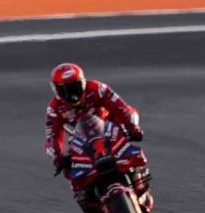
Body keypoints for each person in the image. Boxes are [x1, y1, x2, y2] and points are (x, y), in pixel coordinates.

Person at [45, 62, 151, 213]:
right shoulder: (54, 108)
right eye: (64, 90)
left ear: (82, 82)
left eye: (74, 87)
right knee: (78, 186)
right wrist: (58, 156)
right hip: (83, 144)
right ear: (56, 90)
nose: (71, 94)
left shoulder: (97, 89)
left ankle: (142, 191)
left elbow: (121, 108)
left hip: (109, 133)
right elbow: (52, 137)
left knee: (134, 157)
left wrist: (132, 128)